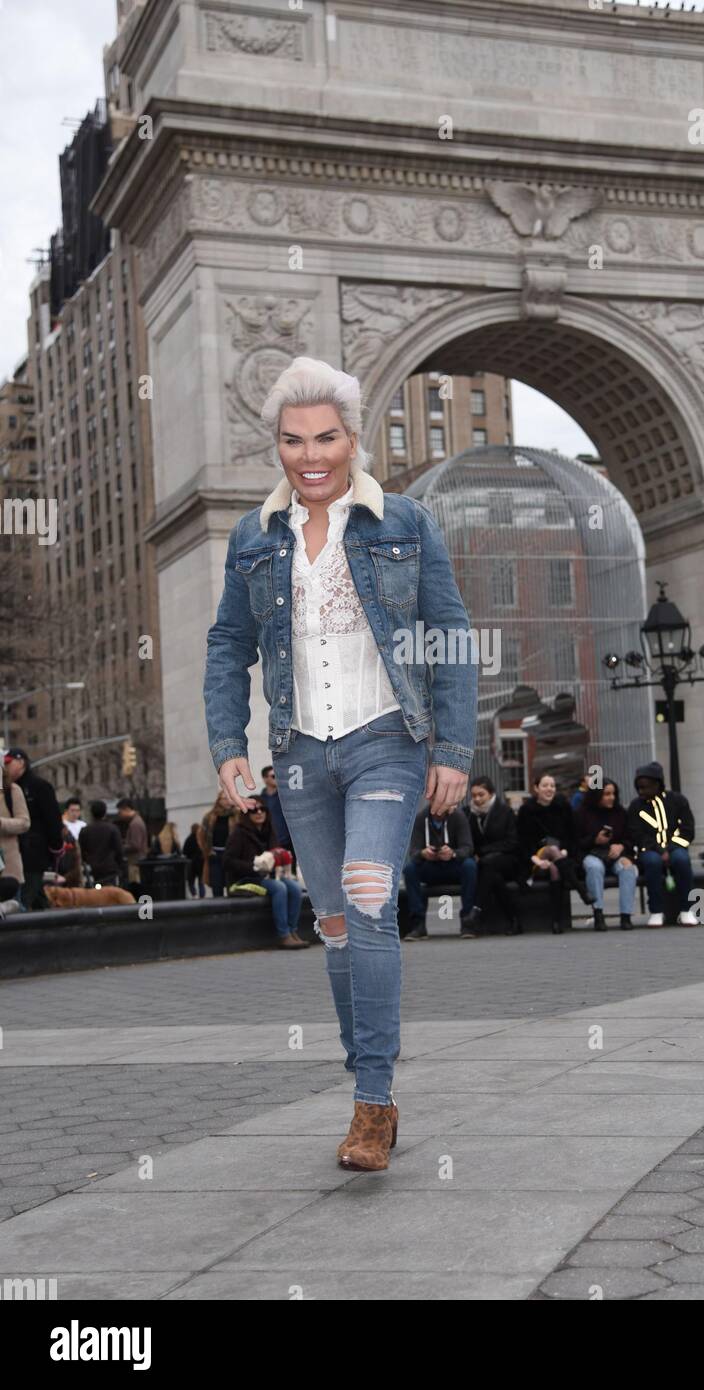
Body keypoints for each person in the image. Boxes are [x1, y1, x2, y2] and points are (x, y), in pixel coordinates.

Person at [204, 355, 477, 1173]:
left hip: (385, 740)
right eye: (293, 440)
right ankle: (363, 1078)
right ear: (277, 446)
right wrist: (227, 744)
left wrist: (454, 751)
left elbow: (450, 632)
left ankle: (374, 1102)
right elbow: (227, 645)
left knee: (366, 895)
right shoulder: (252, 538)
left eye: (326, 437)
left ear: (353, 439)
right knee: (332, 931)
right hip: (298, 753)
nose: (310, 454)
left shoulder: (405, 521)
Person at [223, 799, 306, 947]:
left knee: (294, 887)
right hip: (246, 879)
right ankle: (284, 935)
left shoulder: (269, 830)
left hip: (268, 876)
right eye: (254, 810)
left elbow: (275, 855)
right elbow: (227, 862)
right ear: (246, 814)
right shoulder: (239, 833)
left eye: (263, 809)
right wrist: (254, 866)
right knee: (279, 888)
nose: (259, 812)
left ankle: (293, 931)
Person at [626, 761, 698, 927]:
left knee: (681, 860)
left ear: (657, 784)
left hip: (675, 847)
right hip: (649, 849)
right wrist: (658, 849)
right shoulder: (636, 806)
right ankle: (656, 911)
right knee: (652, 862)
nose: (641, 792)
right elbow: (636, 833)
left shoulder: (678, 801)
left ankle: (687, 909)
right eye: (639, 788)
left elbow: (687, 830)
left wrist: (670, 847)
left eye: (645, 787)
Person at [516, 772, 580, 933]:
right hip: (534, 860)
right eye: (545, 785)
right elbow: (522, 842)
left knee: (555, 868)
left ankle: (556, 921)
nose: (549, 789)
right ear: (536, 788)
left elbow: (572, 836)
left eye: (552, 786)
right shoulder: (526, 810)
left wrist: (565, 850)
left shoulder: (563, 807)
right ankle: (581, 890)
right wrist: (536, 860)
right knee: (552, 852)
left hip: (560, 859)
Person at [404, 803, 476, 940]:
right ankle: (418, 924)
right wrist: (423, 853)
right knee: (410, 869)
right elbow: (413, 852)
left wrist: (453, 853)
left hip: (453, 866)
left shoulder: (458, 816)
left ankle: (467, 922)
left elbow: (468, 848)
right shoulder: (420, 818)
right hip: (430, 867)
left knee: (470, 866)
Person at [3, 749, 64, 911]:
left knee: (23, 899)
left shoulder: (38, 787)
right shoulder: (8, 789)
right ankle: (53, 927)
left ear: (21, 762)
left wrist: (55, 847)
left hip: (33, 853)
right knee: (37, 899)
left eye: (9, 763)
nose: (6, 766)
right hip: (16, 854)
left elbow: (52, 820)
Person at [575, 780, 637, 931]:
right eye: (607, 794)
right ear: (597, 795)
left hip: (615, 855)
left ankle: (626, 915)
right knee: (594, 867)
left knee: (628, 868)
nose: (612, 798)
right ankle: (598, 913)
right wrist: (594, 840)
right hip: (592, 853)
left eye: (613, 794)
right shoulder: (582, 814)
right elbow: (576, 842)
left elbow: (630, 837)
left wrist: (621, 846)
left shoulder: (620, 812)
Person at [463, 776, 522, 936]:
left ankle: (476, 911)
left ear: (491, 794)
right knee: (494, 877)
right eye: (473, 795)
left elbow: (512, 842)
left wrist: (482, 852)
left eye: (481, 794)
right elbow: (467, 840)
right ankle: (514, 919)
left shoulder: (504, 812)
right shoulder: (468, 814)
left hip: (507, 860)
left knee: (489, 865)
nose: (477, 799)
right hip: (486, 866)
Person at [0, 761, 31, 903]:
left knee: (12, 917)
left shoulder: (12, 790)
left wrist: (2, 823)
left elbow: (24, 823)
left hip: (8, 871)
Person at [78, 801, 126, 887]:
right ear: (105, 813)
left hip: (93, 869)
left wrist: (86, 862)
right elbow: (119, 850)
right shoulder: (112, 829)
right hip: (110, 869)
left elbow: (81, 851)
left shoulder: (85, 830)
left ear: (91, 813)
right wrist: (120, 865)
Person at [199, 792, 237, 898]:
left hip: (231, 855)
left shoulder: (237, 815)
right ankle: (218, 913)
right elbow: (201, 835)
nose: (227, 801)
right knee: (217, 886)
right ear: (219, 801)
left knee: (232, 886)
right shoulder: (210, 816)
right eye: (224, 798)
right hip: (215, 855)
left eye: (229, 798)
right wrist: (207, 850)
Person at [259, 765, 293, 853]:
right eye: (273, 776)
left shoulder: (285, 796)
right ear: (265, 779)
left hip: (289, 841)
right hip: (269, 843)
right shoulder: (261, 799)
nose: (277, 778)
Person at [116, 798, 148, 885]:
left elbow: (135, 845)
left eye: (120, 811)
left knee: (135, 887)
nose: (120, 815)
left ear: (127, 809)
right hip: (137, 862)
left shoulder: (135, 824)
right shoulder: (137, 821)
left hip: (135, 863)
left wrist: (121, 847)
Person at [183, 823, 206, 897]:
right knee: (201, 882)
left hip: (191, 863)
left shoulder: (188, 839)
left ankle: (194, 894)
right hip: (201, 863)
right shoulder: (202, 839)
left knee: (191, 882)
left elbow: (184, 851)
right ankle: (202, 896)